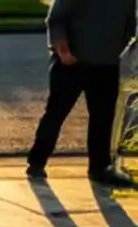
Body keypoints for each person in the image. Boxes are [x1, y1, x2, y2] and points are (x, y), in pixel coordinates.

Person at [27, 0, 138, 184]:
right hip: (71, 63)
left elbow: (130, 27)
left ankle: (99, 167)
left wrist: (113, 52)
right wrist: (64, 52)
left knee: (102, 118)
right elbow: (56, 19)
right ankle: (37, 161)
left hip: (106, 65)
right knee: (56, 113)